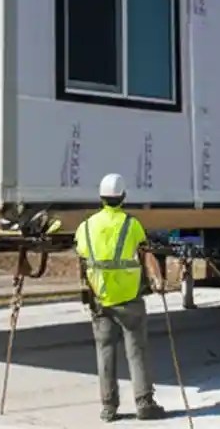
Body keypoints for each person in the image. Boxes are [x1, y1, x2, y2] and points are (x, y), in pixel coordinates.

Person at [75, 174, 167, 423]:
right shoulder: (131, 225)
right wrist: (158, 281)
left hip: (101, 299)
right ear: (123, 197)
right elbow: (145, 254)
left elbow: (83, 258)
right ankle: (144, 403)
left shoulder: (85, 227)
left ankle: (108, 407)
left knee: (104, 351)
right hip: (129, 299)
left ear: (101, 197)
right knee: (137, 351)